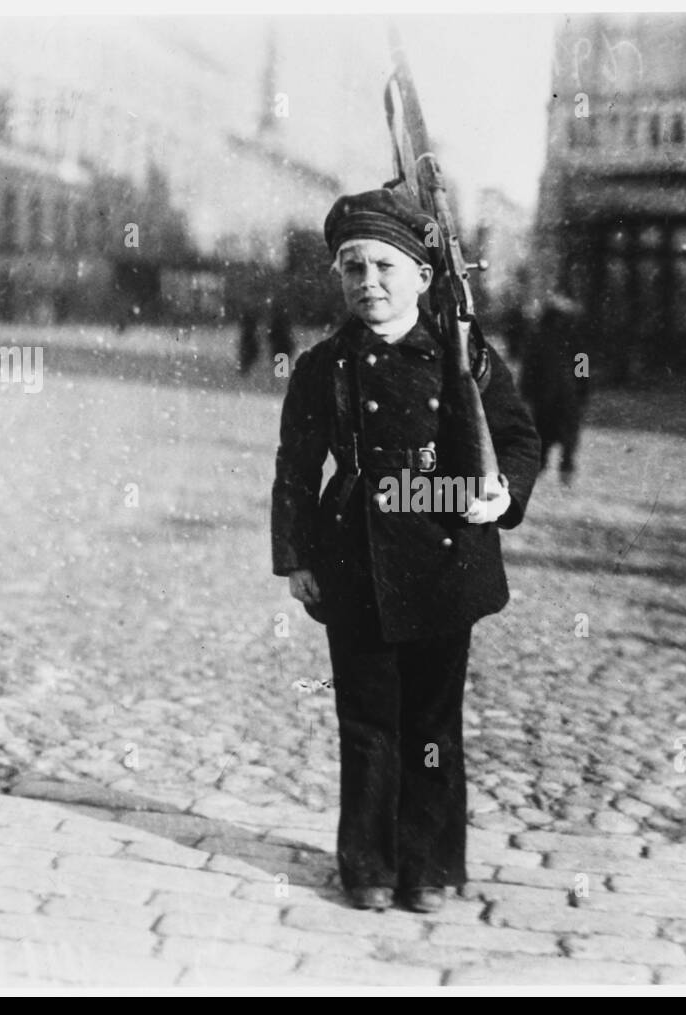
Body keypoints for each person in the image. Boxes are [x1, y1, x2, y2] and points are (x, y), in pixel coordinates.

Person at [270, 188, 541, 913]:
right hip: (354, 561)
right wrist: (296, 557)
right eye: (352, 268)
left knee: (431, 725)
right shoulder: (323, 367)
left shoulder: (468, 358)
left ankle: (431, 869)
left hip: (446, 560)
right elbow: (296, 469)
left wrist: (502, 491)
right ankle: (369, 869)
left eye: (386, 266)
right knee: (365, 724)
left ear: (424, 276)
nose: (370, 283)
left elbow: (518, 440)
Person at [520, 292, 587, 485]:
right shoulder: (545, 336)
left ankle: (560, 467)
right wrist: (581, 388)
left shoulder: (561, 337)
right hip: (556, 393)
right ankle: (553, 467)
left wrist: (581, 387)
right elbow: (530, 366)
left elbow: (582, 362)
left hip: (556, 393)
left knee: (554, 432)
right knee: (551, 432)